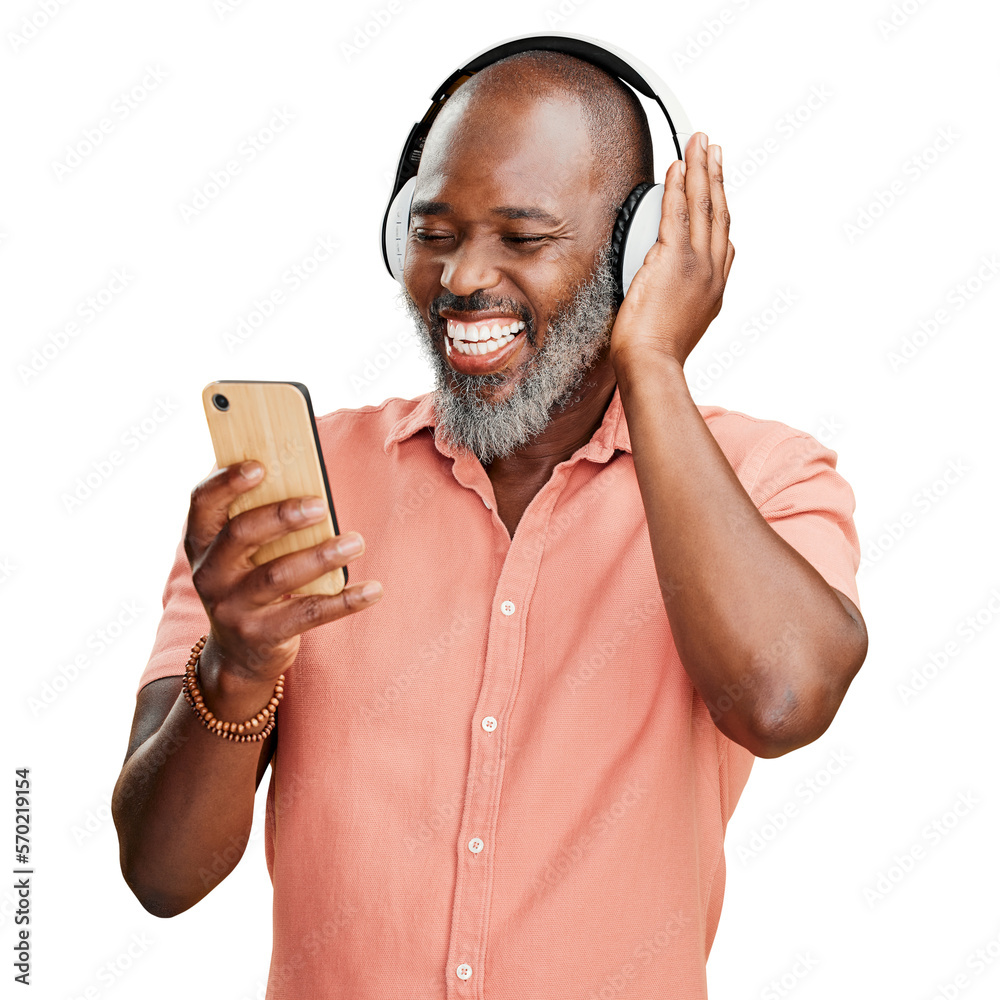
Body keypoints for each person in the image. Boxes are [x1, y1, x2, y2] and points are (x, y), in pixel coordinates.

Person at [112, 41, 868, 999]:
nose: (463, 277)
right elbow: (161, 876)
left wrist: (652, 362)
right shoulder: (300, 486)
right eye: (434, 232)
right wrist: (237, 664)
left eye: (523, 237)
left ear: (640, 250)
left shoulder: (763, 478)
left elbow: (782, 701)